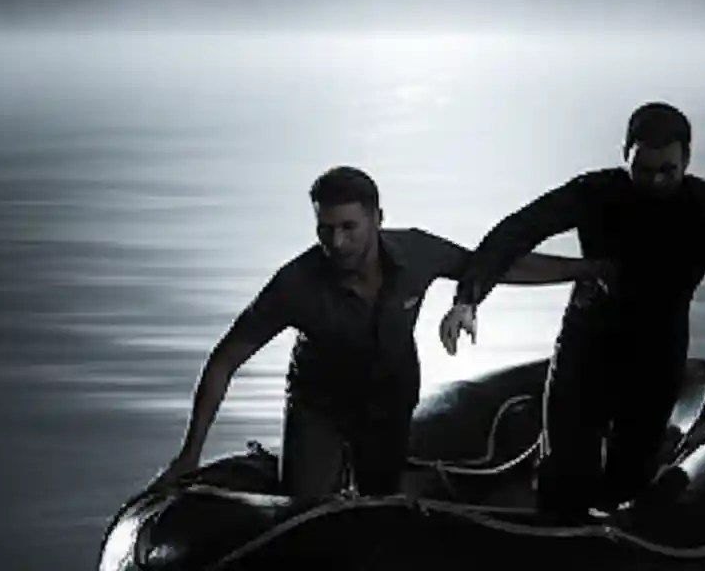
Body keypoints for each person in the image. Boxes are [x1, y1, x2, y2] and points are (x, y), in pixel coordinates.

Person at [154, 166, 604, 498]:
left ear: (377, 218)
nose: (337, 243)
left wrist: (585, 269)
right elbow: (226, 359)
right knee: (304, 511)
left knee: (380, 509)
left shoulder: (417, 252)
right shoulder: (295, 284)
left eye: (349, 228)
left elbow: (492, 267)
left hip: (391, 400)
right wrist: (190, 452)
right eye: (325, 230)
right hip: (321, 406)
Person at [438, 101, 705, 523]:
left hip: (659, 349)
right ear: (625, 155)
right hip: (587, 344)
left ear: (686, 160)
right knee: (564, 474)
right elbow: (518, 230)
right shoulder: (596, 192)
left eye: (667, 170)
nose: (654, 181)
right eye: (643, 169)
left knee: (631, 480)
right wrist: (468, 298)